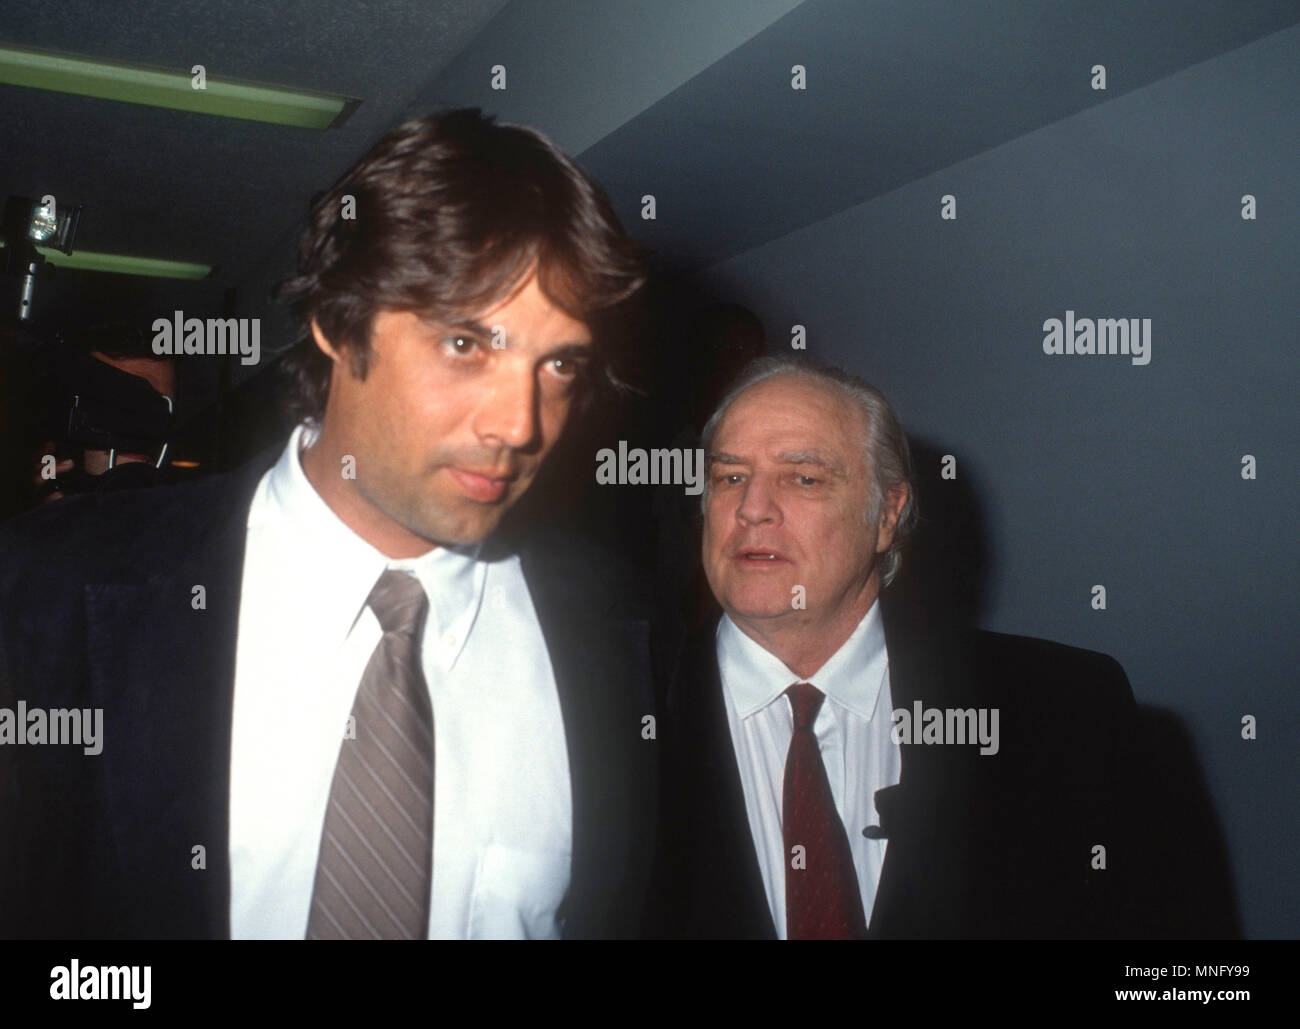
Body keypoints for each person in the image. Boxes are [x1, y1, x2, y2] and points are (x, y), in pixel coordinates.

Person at [0, 108, 656, 940]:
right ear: (340, 323)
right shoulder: (48, 585)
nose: (519, 422)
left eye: (559, 363)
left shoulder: (623, 634)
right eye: (466, 344)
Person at [648, 355, 1234, 939]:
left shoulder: (1066, 712)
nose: (750, 508)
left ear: (888, 515)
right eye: (729, 476)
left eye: (804, 477)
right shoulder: (613, 723)